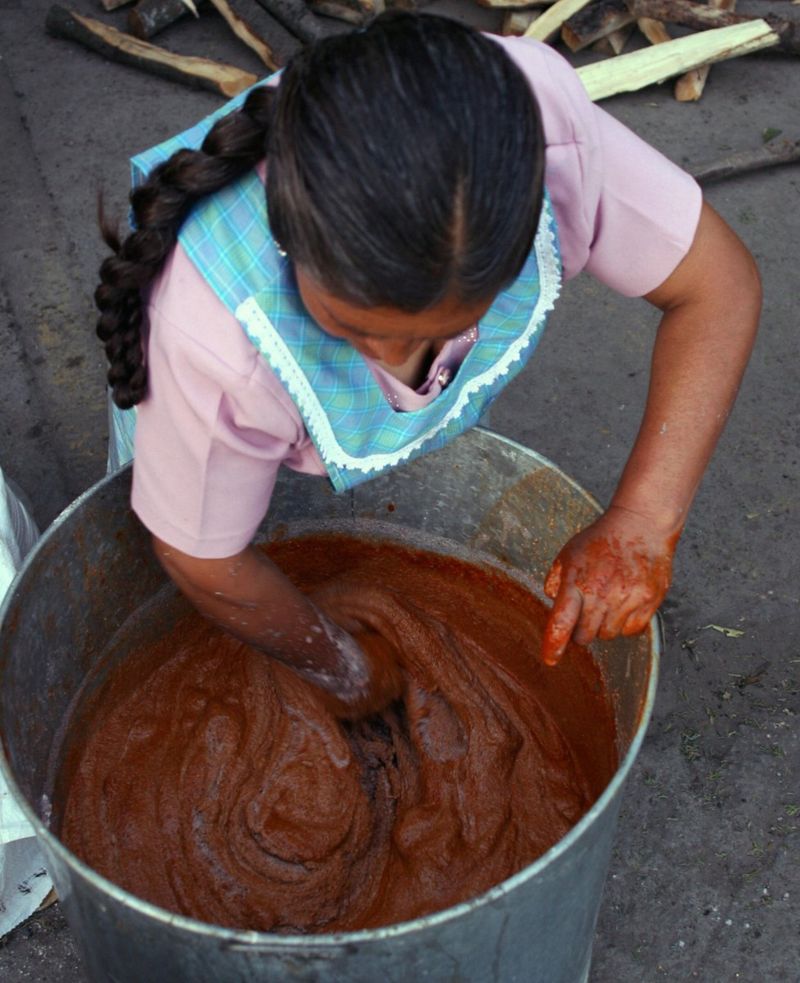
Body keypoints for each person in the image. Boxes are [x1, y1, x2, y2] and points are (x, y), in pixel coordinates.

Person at [95, 12, 761, 715]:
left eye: (444, 331)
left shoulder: (531, 133)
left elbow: (717, 287)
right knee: (189, 529)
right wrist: (341, 665)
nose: (397, 368)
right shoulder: (212, 336)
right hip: (206, 407)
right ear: (288, 239)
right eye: (354, 330)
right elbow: (201, 556)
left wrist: (644, 519)